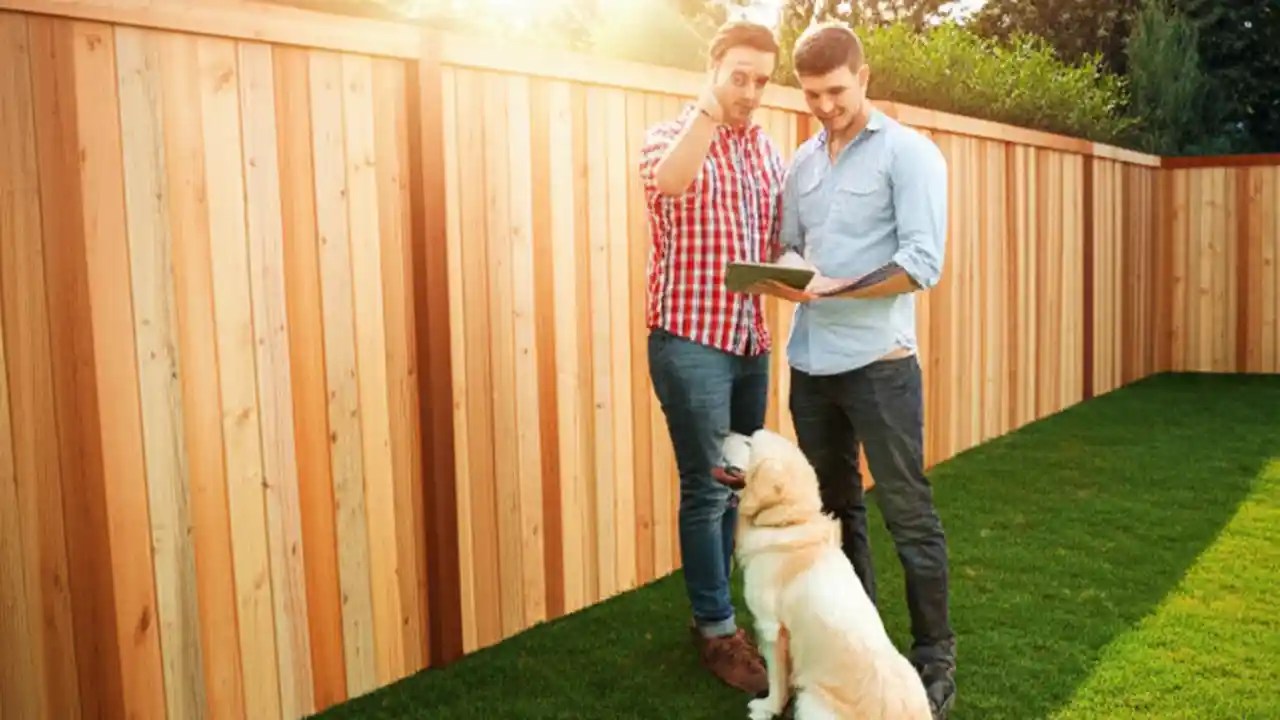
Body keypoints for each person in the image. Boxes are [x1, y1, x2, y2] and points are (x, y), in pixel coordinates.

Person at [748, 20, 957, 719]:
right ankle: (864, 658)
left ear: (863, 76)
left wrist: (839, 286)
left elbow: (921, 264)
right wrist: (776, 276)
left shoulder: (910, 154)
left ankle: (934, 662)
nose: (826, 106)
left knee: (908, 515)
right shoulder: (801, 164)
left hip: (880, 368)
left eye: (836, 91)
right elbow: (788, 248)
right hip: (811, 367)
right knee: (837, 520)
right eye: (811, 95)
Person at [637, 19, 787, 696]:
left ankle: (717, 613)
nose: (751, 92)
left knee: (731, 488)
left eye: (761, 80)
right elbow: (670, 185)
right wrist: (709, 110)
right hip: (690, 344)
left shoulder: (765, 151)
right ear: (714, 69)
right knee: (705, 490)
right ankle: (716, 629)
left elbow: (780, 239)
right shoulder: (671, 136)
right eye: (739, 77)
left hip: (749, 343)